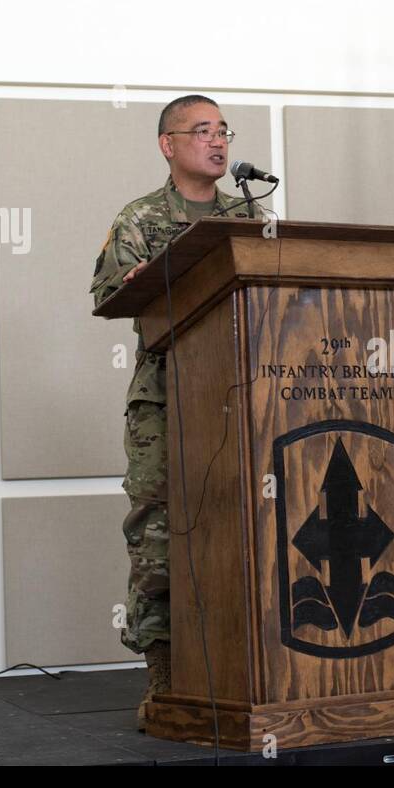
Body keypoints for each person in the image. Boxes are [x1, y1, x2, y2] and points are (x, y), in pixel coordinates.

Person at [90, 94, 263, 729]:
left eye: (223, 131)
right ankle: (164, 677)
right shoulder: (139, 219)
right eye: (201, 131)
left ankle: (249, 668)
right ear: (169, 144)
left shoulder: (252, 212)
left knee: (245, 526)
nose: (217, 142)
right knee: (160, 536)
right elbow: (112, 297)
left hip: (243, 393)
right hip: (167, 397)